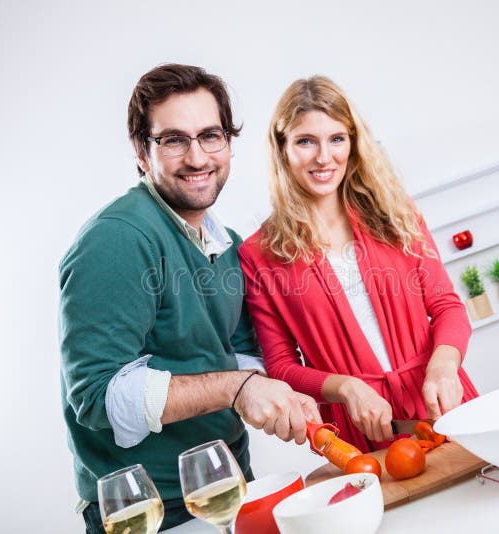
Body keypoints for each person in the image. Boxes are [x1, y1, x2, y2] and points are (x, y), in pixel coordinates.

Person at [59, 64, 320, 533]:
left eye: (210, 135)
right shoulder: (117, 239)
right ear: (142, 152)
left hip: (229, 488)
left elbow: (238, 357)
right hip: (150, 513)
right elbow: (98, 398)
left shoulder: (227, 245)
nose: (197, 157)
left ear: (229, 143)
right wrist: (235, 390)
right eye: (174, 139)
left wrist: (280, 392)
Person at [238, 75, 479, 453]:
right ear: (282, 148)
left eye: (336, 139)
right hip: (363, 429)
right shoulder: (259, 255)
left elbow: (446, 306)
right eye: (305, 141)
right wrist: (346, 388)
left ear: (353, 142)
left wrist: (444, 365)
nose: (323, 157)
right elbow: (282, 365)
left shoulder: (395, 215)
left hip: (442, 406)